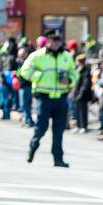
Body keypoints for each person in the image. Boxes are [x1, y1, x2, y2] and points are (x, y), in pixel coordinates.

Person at [19, 31, 76, 167]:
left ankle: (58, 158)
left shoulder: (66, 56)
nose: (56, 43)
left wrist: (68, 80)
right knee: (41, 127)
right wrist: (40, 76)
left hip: (61, 98)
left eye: (58, 40)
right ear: (48, 41)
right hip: (44, 98)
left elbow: (74, 73)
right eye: (53, 40)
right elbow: (24, 71)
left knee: (59, 130)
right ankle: (33, 147)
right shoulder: (38, 56)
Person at [72, 52, 94, 134]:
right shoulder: (78, 70)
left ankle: (83, 126)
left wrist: (81, 94)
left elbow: (86, 84)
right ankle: (78, 125)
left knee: (83, 111)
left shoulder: (86, 71)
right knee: (77, 110)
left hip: (83, 94)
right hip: (76, 93)